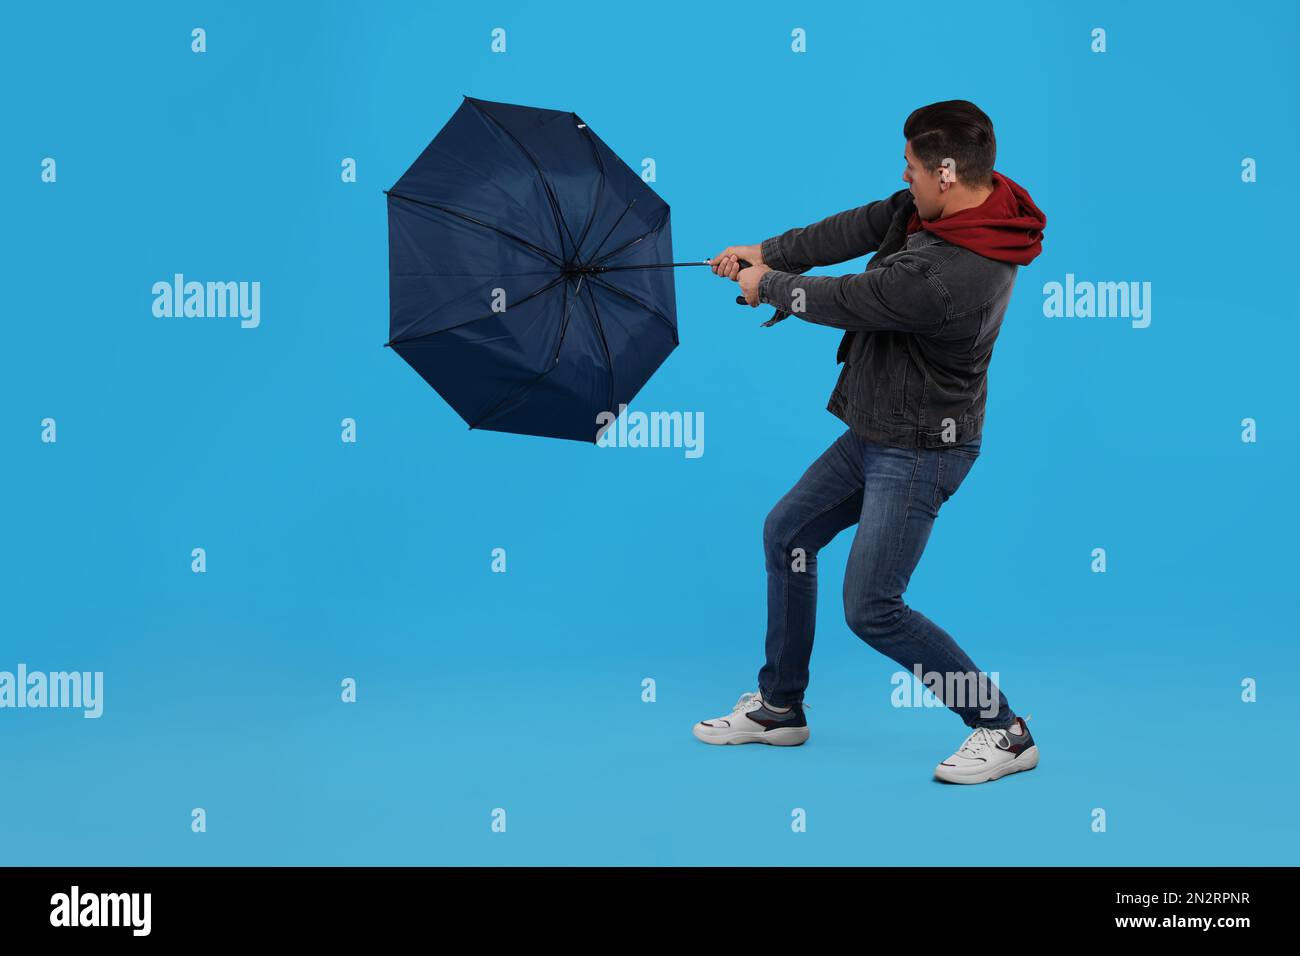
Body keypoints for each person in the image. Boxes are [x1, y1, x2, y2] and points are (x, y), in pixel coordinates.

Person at [693, 101, 1046, 785]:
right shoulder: (959, 202)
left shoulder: (952, 273)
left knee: (873, 606)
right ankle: (780, 707)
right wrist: (766, 253)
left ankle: (1003, 729)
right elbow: (861, 224)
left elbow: (854, 298)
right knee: (788, 531)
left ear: (945, 173)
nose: (904, 180)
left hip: (922, 447)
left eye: (911, 169)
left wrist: (766, 286)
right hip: (881, 425)